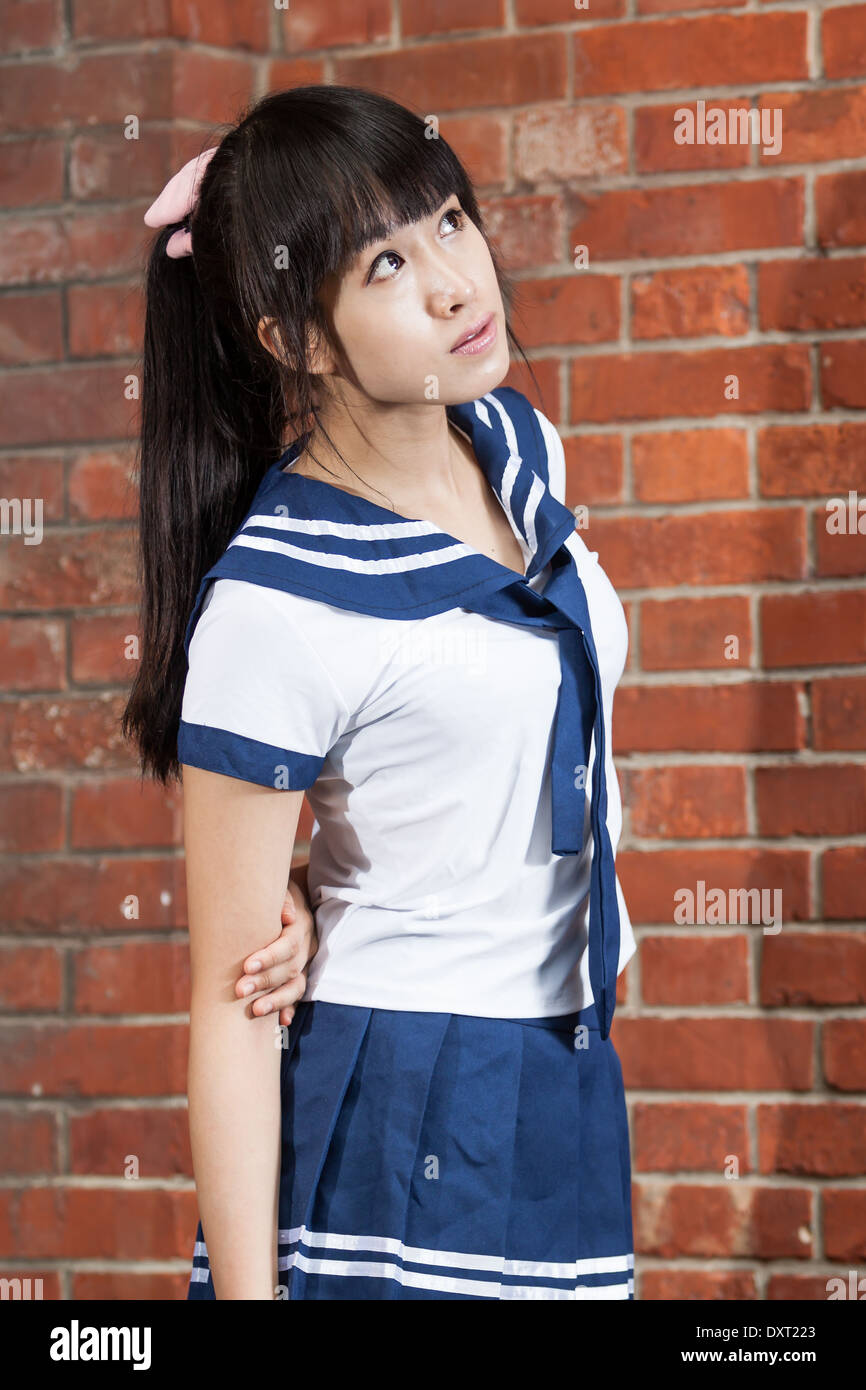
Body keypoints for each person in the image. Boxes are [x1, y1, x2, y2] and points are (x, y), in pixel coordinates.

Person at [124, 84, 637, 1301]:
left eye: (451, 221)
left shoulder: (518, 449)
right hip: (400, 1097)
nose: (457, 282)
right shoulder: (280, 598)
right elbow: (232, 1001)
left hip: (563, 1071)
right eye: (389, 264)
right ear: (294, 339)